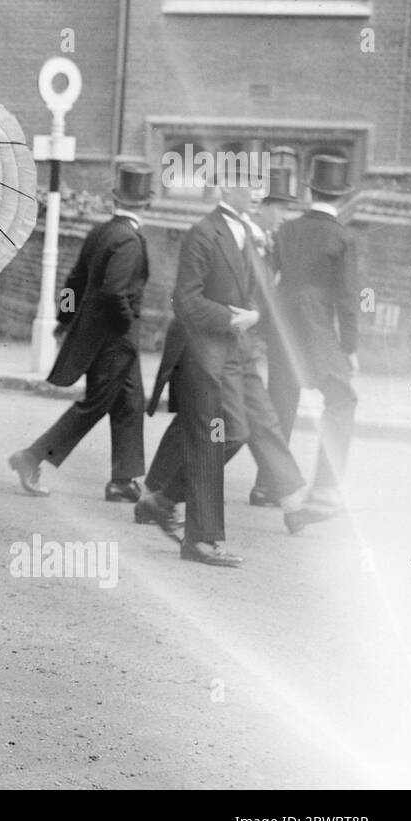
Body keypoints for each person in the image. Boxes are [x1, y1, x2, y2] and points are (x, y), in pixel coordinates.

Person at [135, 168, 326, 566]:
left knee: (236, 432)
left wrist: (253, 316)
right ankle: (199, 538)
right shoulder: (204, 233)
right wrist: (231, 319)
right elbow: (185, 301)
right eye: (248, 184)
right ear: (225, 186)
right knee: (216, 435)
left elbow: (256, 295)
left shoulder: (245, 234)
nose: (257, 192)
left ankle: (164, 499)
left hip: (234, 350)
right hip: (203, 350)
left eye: (260, 184)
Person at [7, 163, 152, 501]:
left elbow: (74, 281)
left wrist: (65, 318)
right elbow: (114, 292)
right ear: (147, 204)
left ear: (115, 198)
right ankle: (32, 456)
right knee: (95, 405)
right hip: (115, 340)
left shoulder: (100, 233)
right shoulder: (129, 240)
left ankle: (123, 481)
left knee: (130, 402)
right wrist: (127, 324)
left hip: (99, 337)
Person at [267, 155, 360, 516]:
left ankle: (268, 485)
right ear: (342, 196)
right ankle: (324, 489)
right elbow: (348, 299)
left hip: (283, 324)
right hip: (317, 326)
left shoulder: (286, 230)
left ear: (310, 191)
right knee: (342, 399)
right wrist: (349, 347)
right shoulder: (343, 236)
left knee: (280, 399)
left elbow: (270, 278)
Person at [247, 159, 300, 507]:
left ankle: (268, 484)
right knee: (231, 415)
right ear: (261, 205)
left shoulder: (273, 239)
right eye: (279, 207)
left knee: (276, 405)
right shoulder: (246, 236)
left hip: (265, 333)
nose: (283, 216)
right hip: (239, 332)